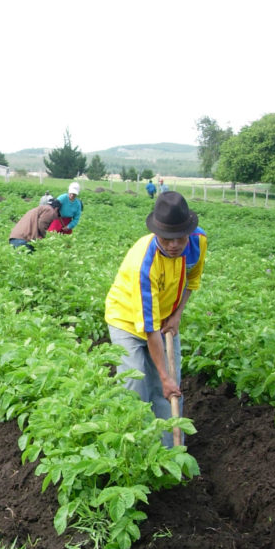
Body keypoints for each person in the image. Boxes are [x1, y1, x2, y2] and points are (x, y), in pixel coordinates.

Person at [104, 191, 207, 447]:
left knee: (171, 392)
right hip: (126, 320)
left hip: (164, 318)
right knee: (135, 383)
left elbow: (192, 280)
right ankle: (133, 450)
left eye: (179, 238)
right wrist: (164, 377)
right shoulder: (143, 263)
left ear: (188, 233)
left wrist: (177, 314)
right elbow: (149, 330)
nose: (174, 245)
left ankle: (171, 454)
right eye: (166, 239)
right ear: (156, 233)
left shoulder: (197, 242)